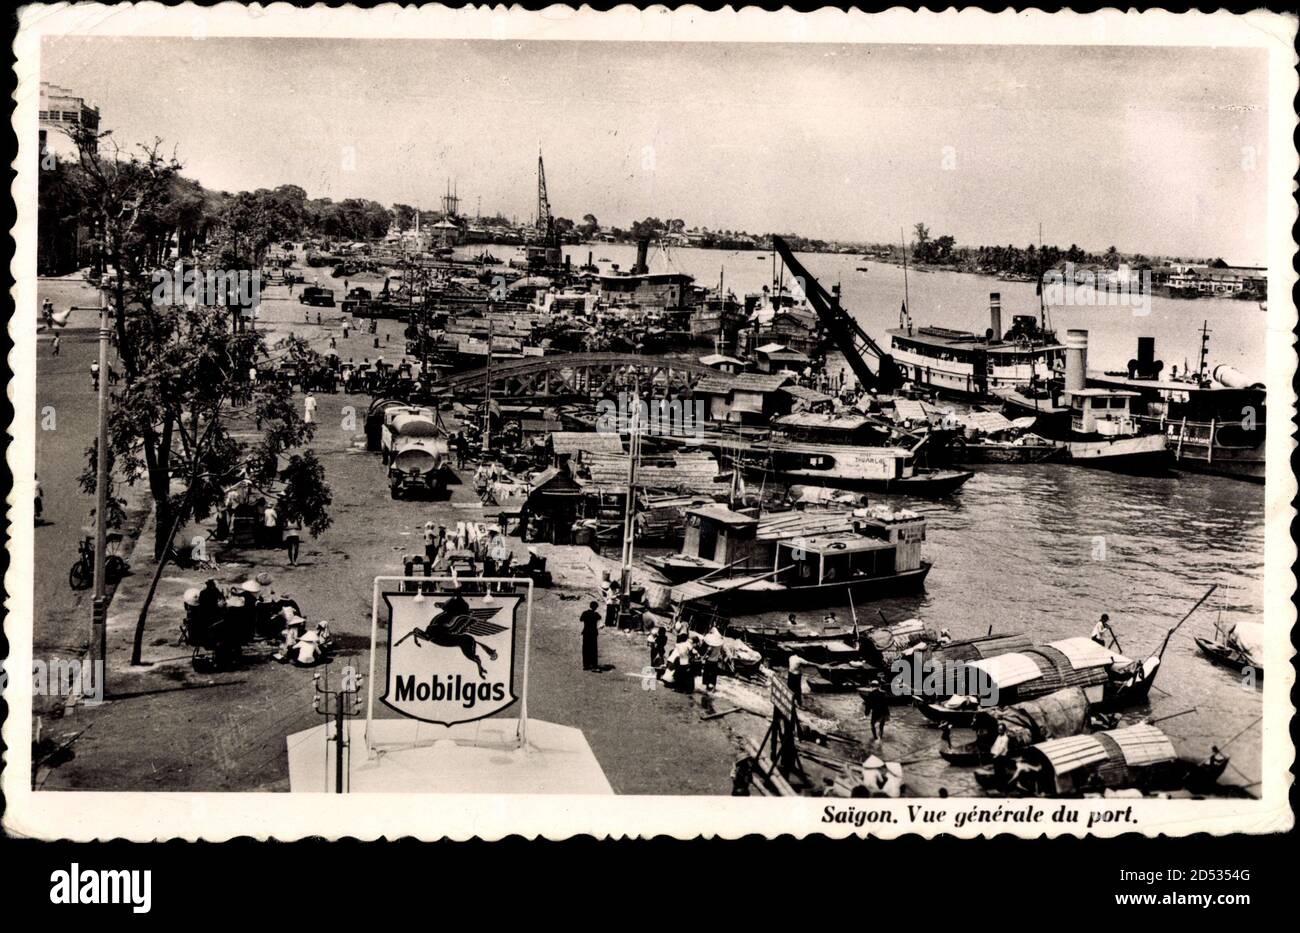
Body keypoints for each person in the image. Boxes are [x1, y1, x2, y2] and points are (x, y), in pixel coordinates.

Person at [701, 625, 725, 691]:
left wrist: (703, 656)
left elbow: (708, 653)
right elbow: (722, 652)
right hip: (715, 661)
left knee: (707, 674)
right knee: (713, 675)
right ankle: (713, 688)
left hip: (709, 661)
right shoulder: (720, 644)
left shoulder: (711, 645)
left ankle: (706, 687)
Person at [580, 600, 602, 671]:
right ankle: (593, 665)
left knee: (585, 649)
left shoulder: (585, 613)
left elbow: (581, 619)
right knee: (593, 650)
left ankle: (585, 665)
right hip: (593, 634)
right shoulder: (596, 614)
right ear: (595, 607)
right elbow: (600, 618)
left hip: (586, 633)